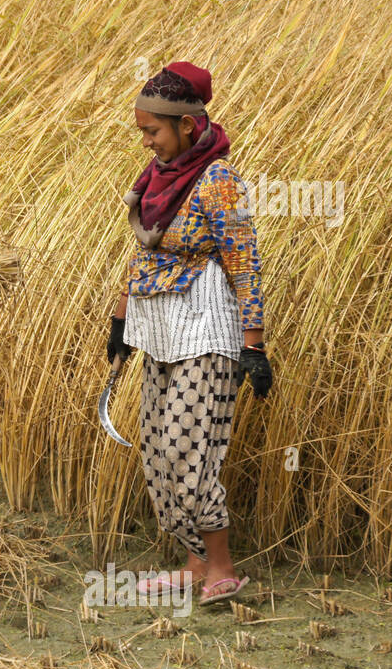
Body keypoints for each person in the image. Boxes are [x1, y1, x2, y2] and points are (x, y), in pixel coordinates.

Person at [107, 61, 273, 606]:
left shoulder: (219, 181)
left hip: (206, 330)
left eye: (154, 131)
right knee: (157, 447)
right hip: (157, 328)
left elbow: (244, 262)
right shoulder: (156, 180)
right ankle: (194, 565)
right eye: (144, 133)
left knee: (189, 449)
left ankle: (221, 567)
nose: (149, 143)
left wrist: (255, 346)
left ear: (188, 125)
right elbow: (144, 257)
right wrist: (121, 319)